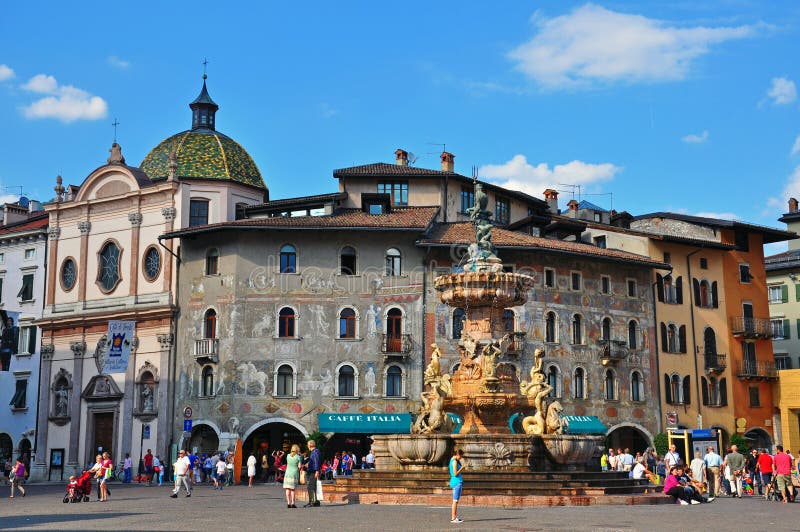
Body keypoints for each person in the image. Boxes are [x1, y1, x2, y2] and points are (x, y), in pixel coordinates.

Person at [304, 439, 322, 507]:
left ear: (310, 445)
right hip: (313, 471)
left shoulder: (315, 452)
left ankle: (312, 502)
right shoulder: (314, 452)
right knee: (313, 486)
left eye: (308, 445)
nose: (307, 446)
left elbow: (316, 461)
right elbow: (314, 461)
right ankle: (315, 501)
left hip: (313, 472)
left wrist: (317, 471)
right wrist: (308, 464)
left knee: (310, 487)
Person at [449, 449, 465, 523]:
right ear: (458, 454)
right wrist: (461, 468)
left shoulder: (452, 460)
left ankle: (454, 517)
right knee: (455, 501)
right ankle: (453, 518)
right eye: (461, 456)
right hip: (457, 482)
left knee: (455, 501)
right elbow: (455, 473)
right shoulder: (455, 462)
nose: (461, 458)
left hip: (455, 482)